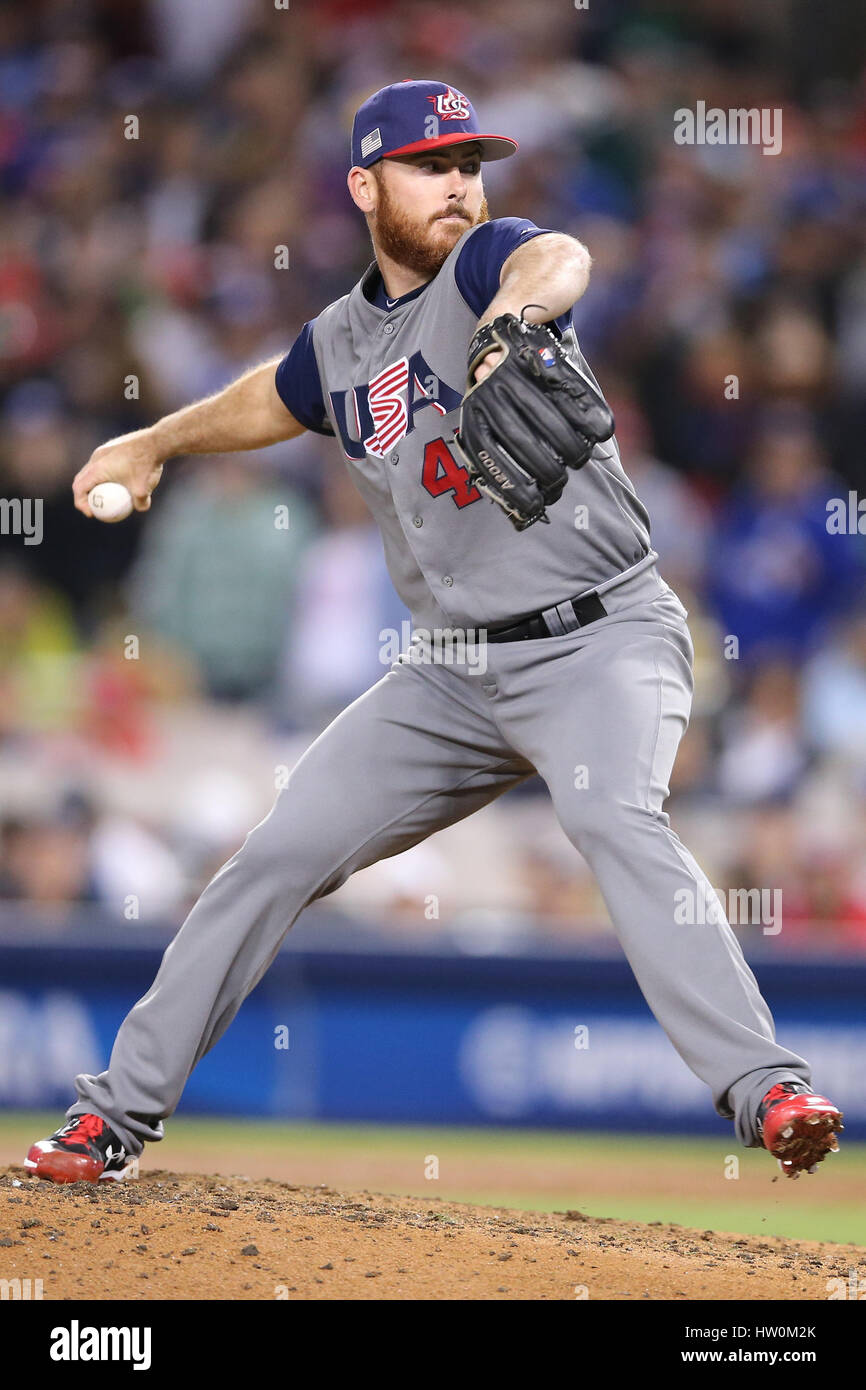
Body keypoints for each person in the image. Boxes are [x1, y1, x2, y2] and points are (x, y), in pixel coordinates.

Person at [27, 80, 841, 1186]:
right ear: (365, 186)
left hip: (599, 635)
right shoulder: (340, 343)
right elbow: (276, 394)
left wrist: (510, 317)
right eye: (428, 164)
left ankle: (765, 1086)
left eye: (467, 161)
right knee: (270, 855)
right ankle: (112, 1117)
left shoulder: (488, 266)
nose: (457, 180)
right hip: (451, 671)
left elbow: (555, 259)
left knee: (612, 819)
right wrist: (156, 443)